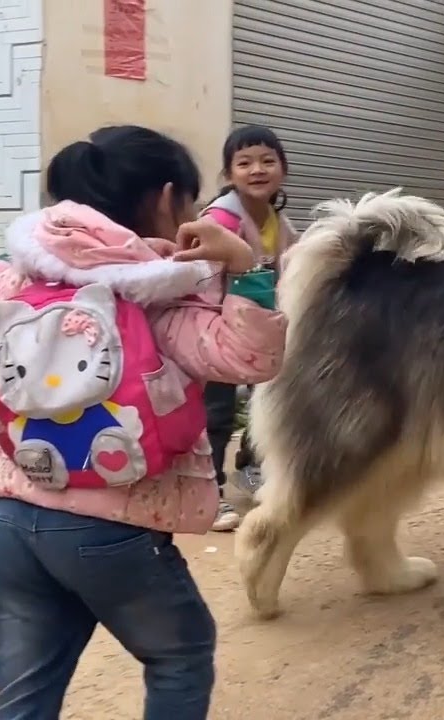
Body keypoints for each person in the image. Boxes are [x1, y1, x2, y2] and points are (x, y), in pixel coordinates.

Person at [0, 125, 287, 719]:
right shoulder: (161, 296)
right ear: (167, 199)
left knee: (26, 694)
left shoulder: (16, 280)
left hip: (17, 517)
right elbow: (248, 359)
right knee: (180, 655)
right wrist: (248, 268)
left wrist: (29, 249)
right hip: (113, 528)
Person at [200, 125, 299, 531]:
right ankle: (209, 494)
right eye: (244, 163)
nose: (257, 169)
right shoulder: (221, 218)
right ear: (228, 175)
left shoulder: (276, 218)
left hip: (258, 329)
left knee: (268, 400)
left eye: (267, 161)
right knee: (216, 411)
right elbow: (202, 276)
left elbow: (294, 262)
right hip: (218, 329)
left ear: (283, 169)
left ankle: (251, 467)